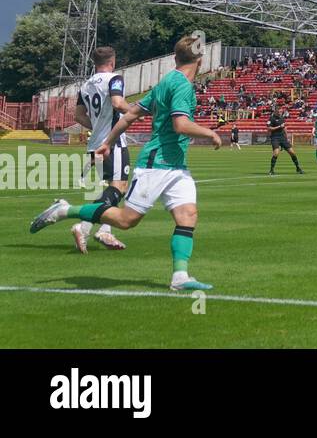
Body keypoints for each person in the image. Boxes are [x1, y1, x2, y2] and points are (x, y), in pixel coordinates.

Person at [29, 34, 221, 291]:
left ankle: (180, 276)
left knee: (188, 215)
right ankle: (66, 210)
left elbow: (130, 114)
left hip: (176, 166)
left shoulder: (167, 81)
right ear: (200, 60)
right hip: (156, 164)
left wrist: (107, 140)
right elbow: (180, 125)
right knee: (126, 220)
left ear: (175, 58)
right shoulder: (182, 86)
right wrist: (210, 132)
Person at [69, 46, 130, 252]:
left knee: (109, 189)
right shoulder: (115, 78)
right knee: (119, 187)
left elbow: (78, 116)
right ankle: (83, 227)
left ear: (95, 63)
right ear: (112, 62)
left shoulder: (85, 85)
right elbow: (118, 103)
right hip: (112, 143)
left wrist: (96, 127)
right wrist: (140, 111)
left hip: (94, 143)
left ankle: (106, 231)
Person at [267, 106, 304, 175]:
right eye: (278, 112)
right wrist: (278, 127)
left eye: (281, 112)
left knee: (292, 152)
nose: (280, 113)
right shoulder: (271, 118)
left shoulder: (282, 118)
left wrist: (287, 138)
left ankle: (298, 168)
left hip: (282, 138)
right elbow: (269, 129)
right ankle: (271, 170)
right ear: (275, 111)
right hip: (275, 137)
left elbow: (284, 128)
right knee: (276, 153)